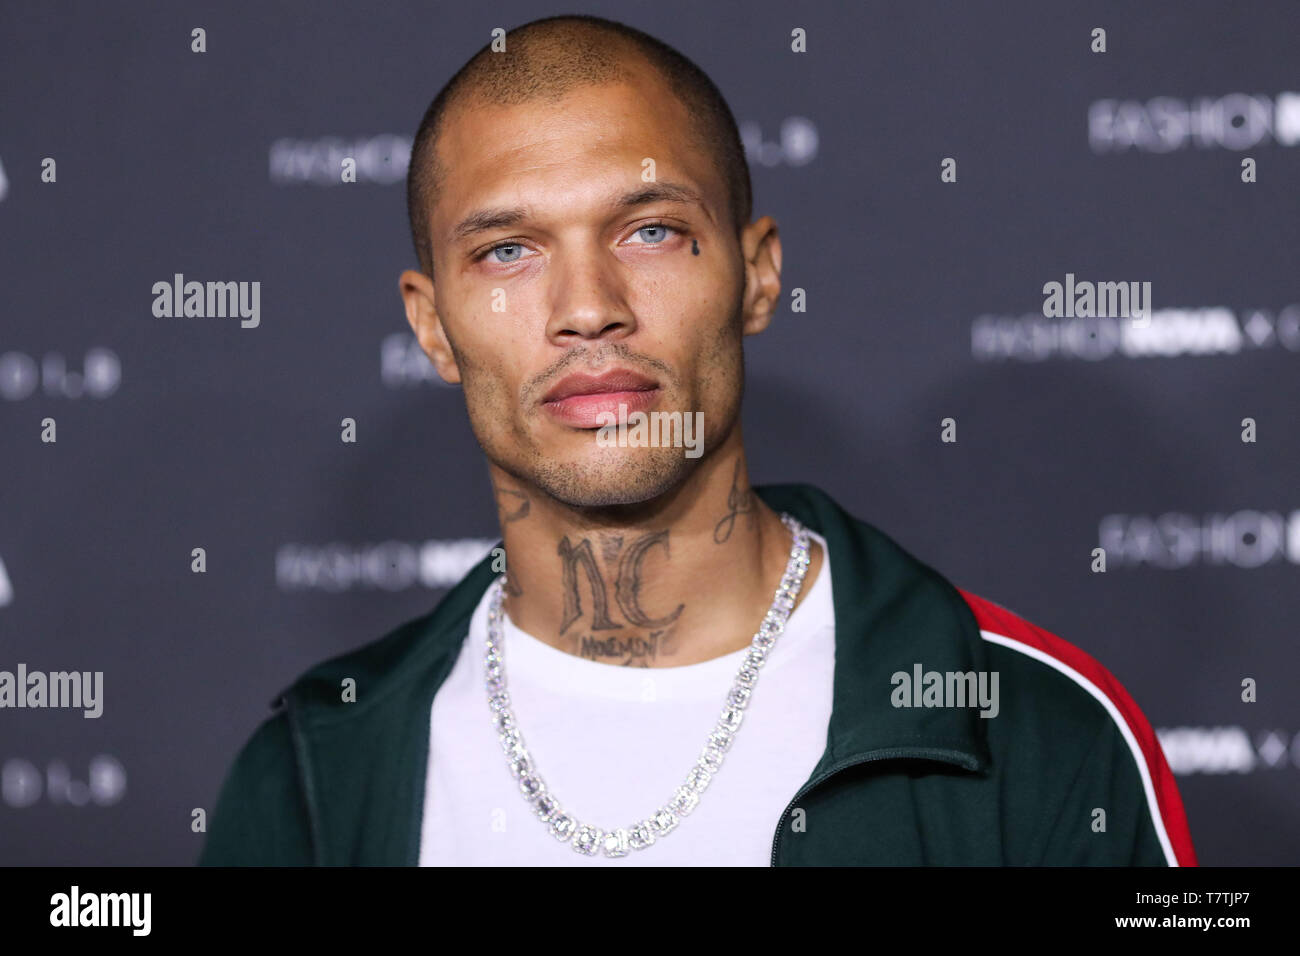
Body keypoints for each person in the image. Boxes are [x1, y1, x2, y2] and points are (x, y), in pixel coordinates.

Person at [199, 13, 1197, 866]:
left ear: (757, 275)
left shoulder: (1028, 725)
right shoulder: (315, 772)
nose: (587, 308)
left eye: (651, 231)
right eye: (507, 250)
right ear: (431, 325)